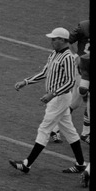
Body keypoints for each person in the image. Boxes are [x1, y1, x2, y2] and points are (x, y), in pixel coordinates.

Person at [9, 27, 88, 175]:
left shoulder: (68, 57)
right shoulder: (53, 54)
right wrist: (25, 82)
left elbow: (70, 82)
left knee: (44, 129)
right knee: (69, 130)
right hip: (56, 98)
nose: (52, 41)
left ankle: (27, 164)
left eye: (54, 39)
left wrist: (52, 94)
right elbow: (45, 73)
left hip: (60, 98)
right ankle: (81, 164)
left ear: (63, 40)